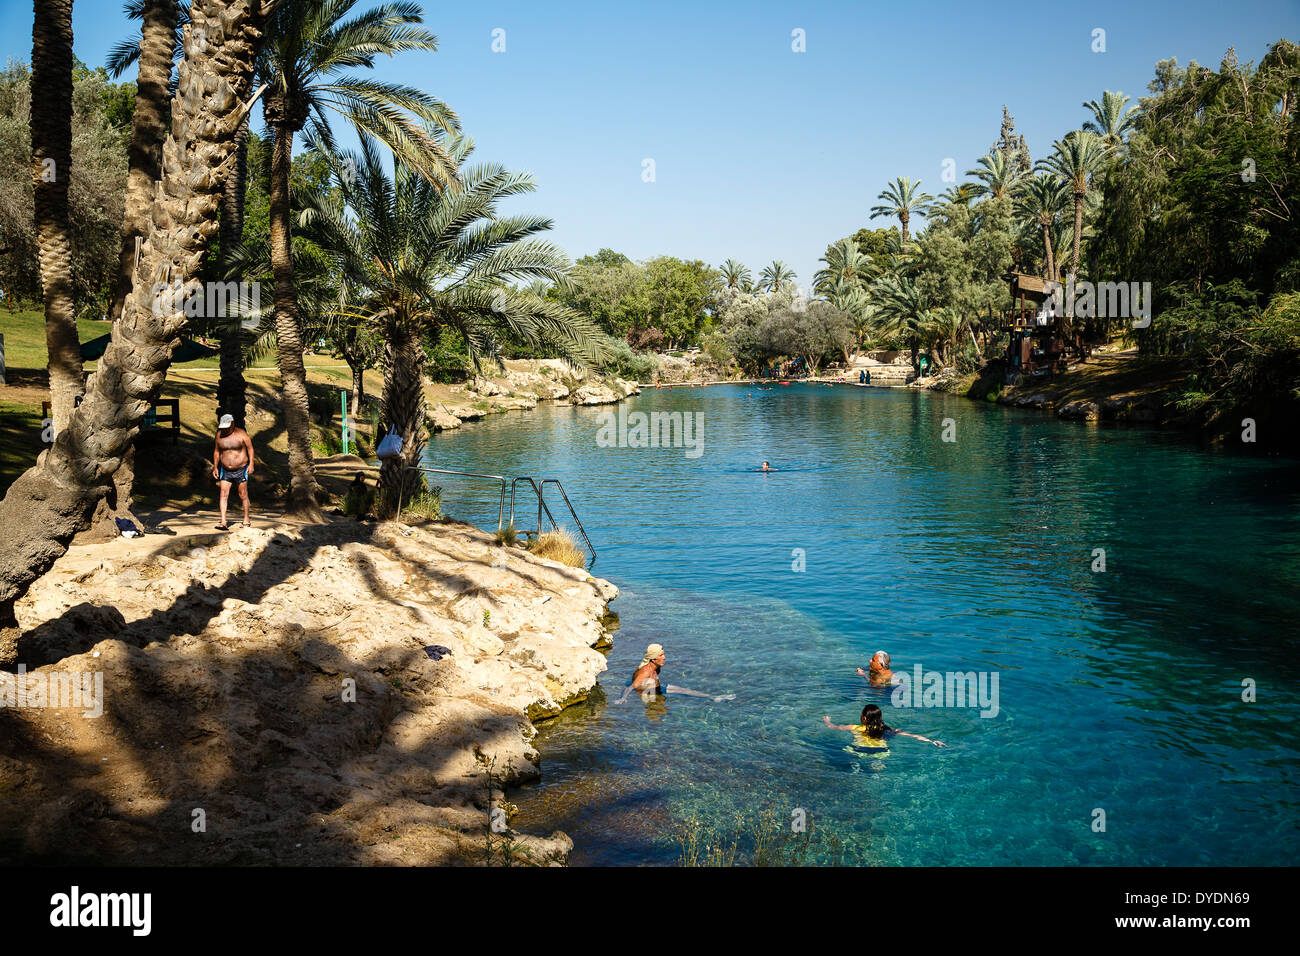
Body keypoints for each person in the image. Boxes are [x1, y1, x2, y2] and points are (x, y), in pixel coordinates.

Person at [614, 643, 734, 703]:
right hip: (649, 694)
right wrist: (622, 698)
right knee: (678, 696)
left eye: (664, 654)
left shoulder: (656, 667)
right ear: (653, 659)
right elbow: (630, 687)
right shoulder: (645, 672)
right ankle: (712, 698)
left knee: (685, 690)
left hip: (657, 689)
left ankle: (713, 697)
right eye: (661, 655)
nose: (665, 657)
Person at [823, 703, 945, 750]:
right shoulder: (886, 729)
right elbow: (911, 735)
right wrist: (932, 741)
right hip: (881, 751)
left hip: (858, 749)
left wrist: (828, 721)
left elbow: (834, 727)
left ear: (863, 718)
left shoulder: (855, 727)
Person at [212, 413, 254, 530]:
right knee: (223, 494)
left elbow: (250, 449)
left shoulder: (241, 434)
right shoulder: (219, 435)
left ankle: (246, 519)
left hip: (241, 469)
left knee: (243, 494)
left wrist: (251, 464)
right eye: (223, 427)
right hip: (225, 470)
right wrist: (215, 467)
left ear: (232, 424)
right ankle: (223, 521)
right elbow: (217, 451)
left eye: (227, 427)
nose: (225, 429)